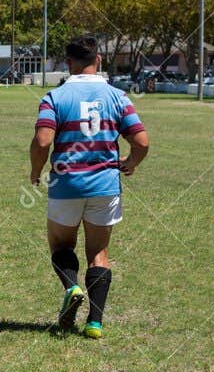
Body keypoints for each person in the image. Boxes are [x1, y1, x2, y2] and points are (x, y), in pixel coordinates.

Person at [29, 34, 150, 339]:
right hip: (105, 185)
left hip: (66, 183)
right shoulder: (118, 97)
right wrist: (131, 162)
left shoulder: (54, 98)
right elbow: (141, 141)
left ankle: (72, 287)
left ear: (68, 64)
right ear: (99, 60)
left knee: (60, 246)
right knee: (99, 251)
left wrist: (35, 171)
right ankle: (95, 323)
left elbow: (43, 141)